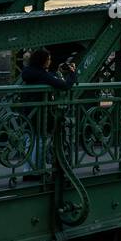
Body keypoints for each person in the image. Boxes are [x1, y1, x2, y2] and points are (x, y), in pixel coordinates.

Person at [19, 49, 77, 180]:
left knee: (31, 140)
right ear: (43, 60)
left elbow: (46, 77)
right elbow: (65, 85)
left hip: (29, 111)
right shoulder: (42, 75)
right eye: (48, 59)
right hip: (40, 112)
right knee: (40, 140)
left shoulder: (29, 72)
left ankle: (28, 170)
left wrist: (57, 72)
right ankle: (36, 171)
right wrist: (73, 73)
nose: (50, 61)